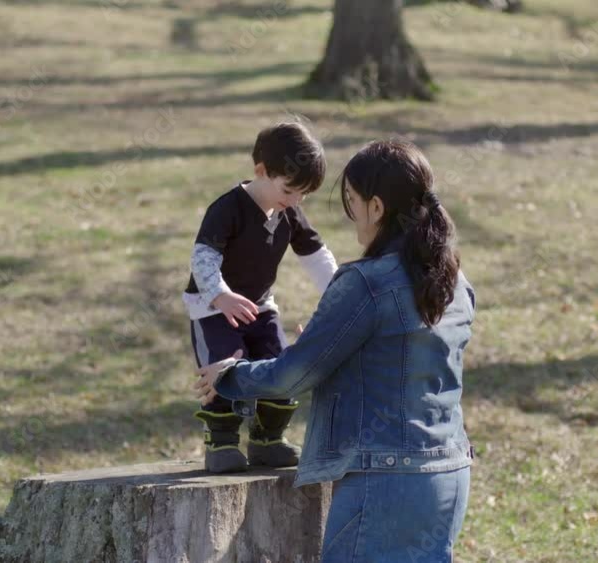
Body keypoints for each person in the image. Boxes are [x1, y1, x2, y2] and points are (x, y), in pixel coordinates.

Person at [193, 139, 476, 561]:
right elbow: (397, 360)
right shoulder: (455, 281)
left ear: (376, 207)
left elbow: (295, 375)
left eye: (351, 202)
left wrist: (230, 375)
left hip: (382, 480)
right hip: (450, 472)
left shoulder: (365, 281)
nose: (351, 217)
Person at [184, 121, 338, 473]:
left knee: (280, 365)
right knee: (224, 368)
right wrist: (220, 295)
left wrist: (339, 295)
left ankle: (268, 439)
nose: (296, 201)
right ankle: (221, 443)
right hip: (212, 309)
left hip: (259, 306)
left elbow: (316, 256)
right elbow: (203, 256)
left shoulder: (289, 211)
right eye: (289, 190)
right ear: (261, 171)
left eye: (303, 195)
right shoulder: (228, 209)